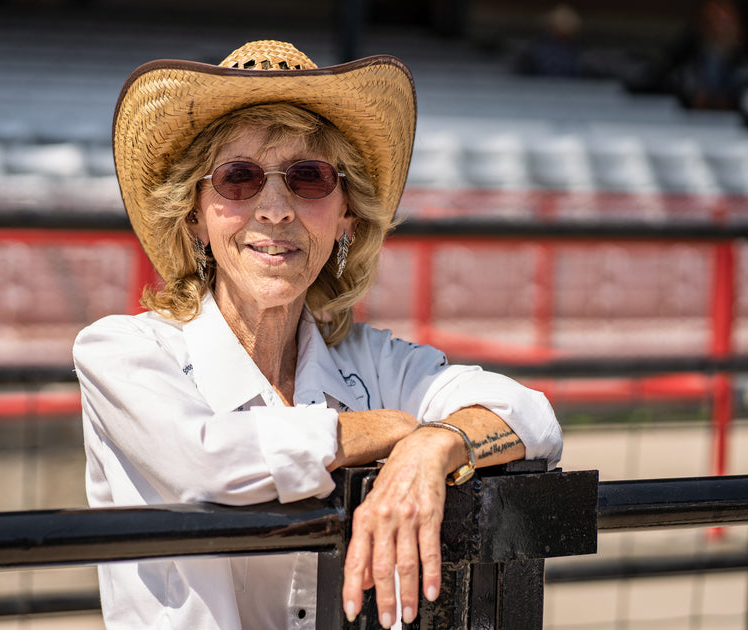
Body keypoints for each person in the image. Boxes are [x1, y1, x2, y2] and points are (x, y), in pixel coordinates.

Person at [73, 40, 563, 629]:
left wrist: (433, 448)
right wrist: (389, 428)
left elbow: (531, 416)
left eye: (309, 178)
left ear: (346, 215)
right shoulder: (121, 351)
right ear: (195, 216)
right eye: (238, 178)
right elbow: (207, 460)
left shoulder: (370, 360)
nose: (275, 209)